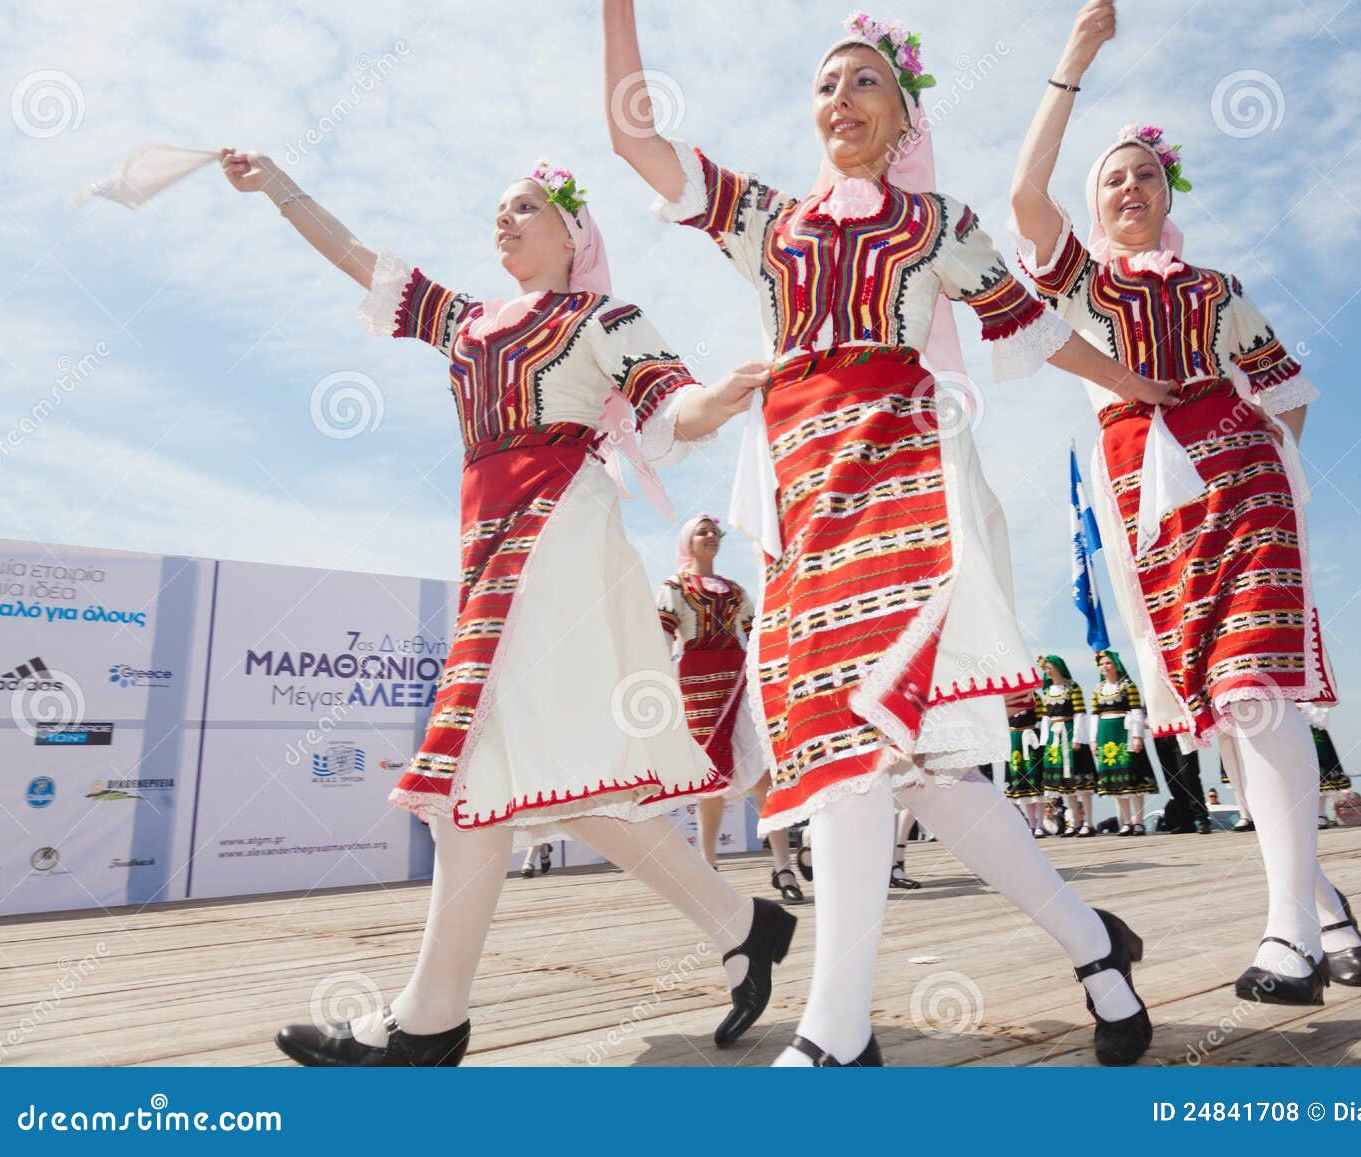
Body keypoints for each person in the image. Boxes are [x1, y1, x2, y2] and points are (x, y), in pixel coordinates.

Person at [605, 1, 1168, 1066]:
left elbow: (1029, 323)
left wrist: (1139, 385)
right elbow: (636, 139)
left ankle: (835, 1031)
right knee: (920, 770)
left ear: (904, 114)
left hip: (906, 484)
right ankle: (1096, 945)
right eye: (826, 82)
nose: (842, 97)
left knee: (857, 740)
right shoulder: (767, 220)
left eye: (866, 80)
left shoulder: (934, 224)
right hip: (804, 502)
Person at [210, 149, 796, 1065]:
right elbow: (361, 258)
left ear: (573, 233)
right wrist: (278, 187)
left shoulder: (601, 317)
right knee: (545, 778)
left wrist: (717, 400)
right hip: (494, 558)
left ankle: (430, 1017)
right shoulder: (468, 322)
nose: (505, 219)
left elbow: (671, 406)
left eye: (526, 206)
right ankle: (738, 924)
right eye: (500, 209)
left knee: (473, 768)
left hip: (558, 542)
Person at [1009, 0, 1361, 1005]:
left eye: (1146, 174)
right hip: (1150, 505)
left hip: (1242, 484)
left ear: (1169, 193)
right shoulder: (1085, 286)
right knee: (1225, 709)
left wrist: (1263, 471)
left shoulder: (1215, 287)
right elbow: (1023, 194)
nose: (1130, 186)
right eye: (1113, 177)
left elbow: (1287, 391)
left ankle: (1290, 939)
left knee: (1256, 688)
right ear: (1098, 201)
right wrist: (1074, 57)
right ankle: (1325, 906)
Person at [659, 513, 803, 902]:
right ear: (688, 541)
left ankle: (783, 867)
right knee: (711, 780)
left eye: (714, 531)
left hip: (740, 684)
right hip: (697, 688)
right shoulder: (674, 587)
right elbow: (662, 639)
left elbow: (757, 636)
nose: (711, 536)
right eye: (701, 531)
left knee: (764, 772)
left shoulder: (736, 590)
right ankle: (708, 866)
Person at [1090, 650, 1157, 835]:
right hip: (1106, 735)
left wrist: (1137, 736)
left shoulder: (1128, 686)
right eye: (1101, 664)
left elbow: (1136, 711)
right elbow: (1094, 716)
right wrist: (1093, 740)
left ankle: (1139, 821)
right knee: (1115, 780)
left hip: (1125, 733)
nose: (1104, 667)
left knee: (1133, 777)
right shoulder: (1097, 689)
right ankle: (1126, 821)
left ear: (1116, 665)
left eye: (1108, 663)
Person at [1037, 654, 1095, 836]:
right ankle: (1074, 823)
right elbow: (1046, 717)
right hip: (1054, 739)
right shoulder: (1047, 691)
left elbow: (1079, 713)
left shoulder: (1072, 687)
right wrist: (1044, 741)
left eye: (1049, 667)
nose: (1047, 671)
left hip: (1070, 734)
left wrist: (1077, 738)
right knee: (1065, 784)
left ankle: (1088, 823)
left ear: (1058, 667)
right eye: (1045, 668)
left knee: (1081, 783)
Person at [1004, 688, 1049, 835]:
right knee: (1021, 783)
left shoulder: (1034, 697)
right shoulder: (1007, 698)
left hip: (1031, 739)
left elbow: (1042, 720)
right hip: (1014, 740)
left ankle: (1040, 824)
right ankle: (1032, 824)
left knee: (1035, 780)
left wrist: (1041, 742)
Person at [1301, 705, 1351, 829]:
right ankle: (1308, 816)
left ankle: (1320, 815)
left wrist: (1301, 708)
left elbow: (1321, 710)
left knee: (1321, 778)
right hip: (1293, 735)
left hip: (1313, 734)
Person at [1154, 731, 1209, 834]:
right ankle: (1186, 822)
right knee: (1172, 778)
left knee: (1188, 774)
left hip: (1182, 730)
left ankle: (1202, 819)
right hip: (1160, 732)